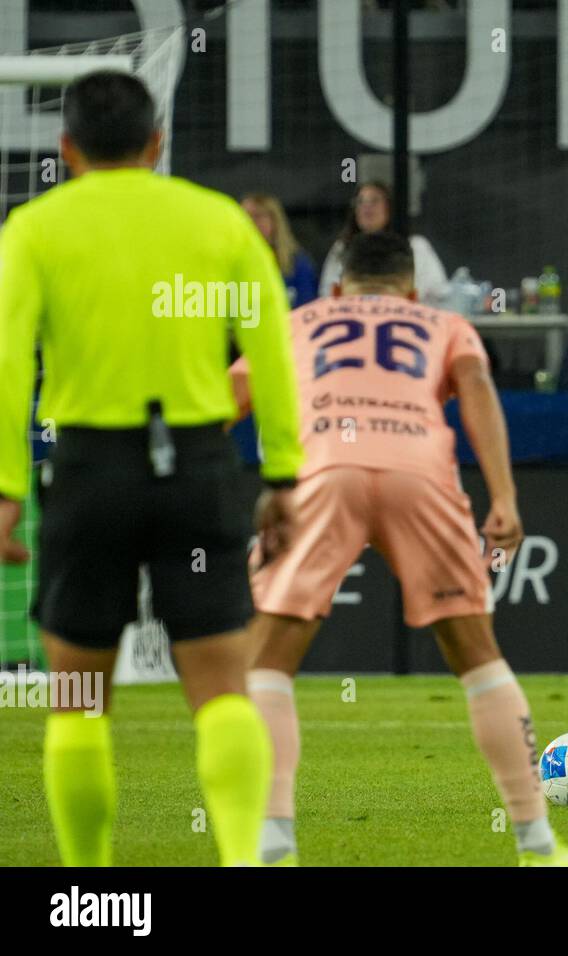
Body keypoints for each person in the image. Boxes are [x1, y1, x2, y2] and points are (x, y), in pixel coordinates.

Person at [0, 71, 302, 867]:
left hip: (88, 471)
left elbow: (3, 362)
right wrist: (282, 475)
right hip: (199, 466)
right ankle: (242, 859)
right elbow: (272, 352)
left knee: (76, 702)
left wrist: (5, 488)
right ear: (158, 143)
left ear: (65, 150)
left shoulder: (33, 229)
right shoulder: (220, 223)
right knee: (221, 693)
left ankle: (89, 887)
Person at [229, 232, 568, 867]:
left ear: (339, 287)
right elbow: (476, 387)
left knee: (267, 661)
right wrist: (503, 495)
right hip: (417, 473)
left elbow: (221, 404)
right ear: (409, 289)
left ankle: (271, 846)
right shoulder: (442, 323)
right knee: (478, 658)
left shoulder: (300, 320)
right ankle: (539, 847)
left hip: (323, 474)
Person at [318, 181, 450, 306]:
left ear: (390, 207)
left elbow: (437, 291)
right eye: (360, 201)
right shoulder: (342, 247)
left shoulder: (416, 246)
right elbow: (327, 293)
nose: (366, 206)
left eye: (374, 200)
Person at [241, 193, 318, 308]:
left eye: (257, 216)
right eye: (243, 216)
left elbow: (307, 306)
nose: (250, 222)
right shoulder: (230, 262)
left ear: (275, 221)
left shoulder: (297, 263)